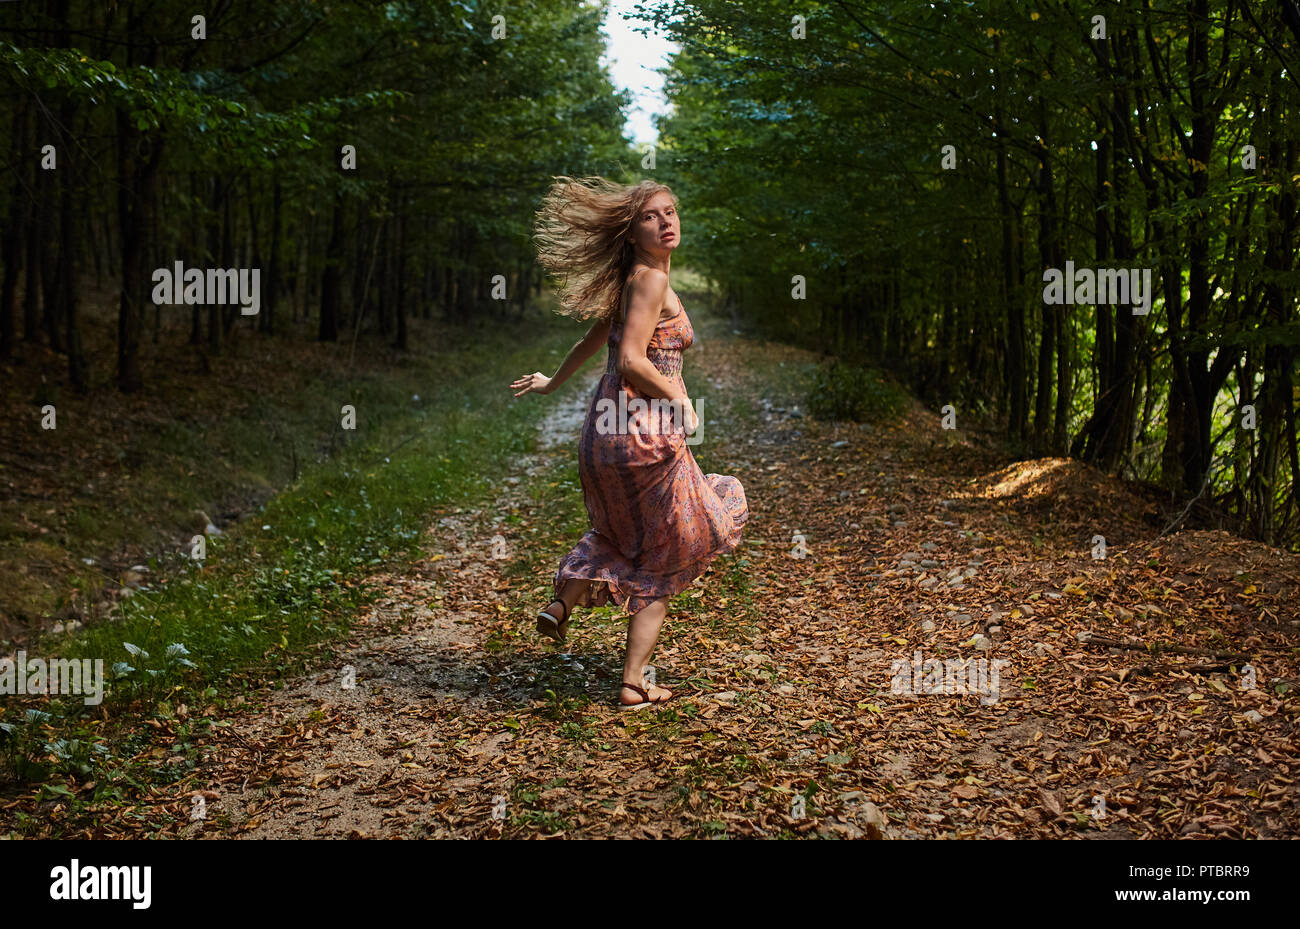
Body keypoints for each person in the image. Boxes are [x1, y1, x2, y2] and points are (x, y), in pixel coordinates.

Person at [511, 176, 748, 709]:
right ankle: (633, 682)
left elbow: (594, 340)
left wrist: (552, 380)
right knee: (671, 545)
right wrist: (680, 400)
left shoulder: (631, 280)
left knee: (624, 530)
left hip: (605, 433)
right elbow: (630, 360)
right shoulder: (649, 282)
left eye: (671, 211)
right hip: (643, 430)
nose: (666, 221)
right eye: (651, 216)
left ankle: (564, 601)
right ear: (632, 230)